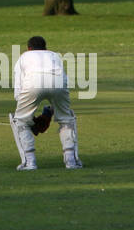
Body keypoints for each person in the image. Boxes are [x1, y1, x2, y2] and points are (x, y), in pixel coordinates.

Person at [9, 35, 82, 170]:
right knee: (66, 119)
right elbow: (63, 80)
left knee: (20, 121)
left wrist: (27, 118)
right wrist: (54, 109)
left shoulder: (23, 57)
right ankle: (71, 161)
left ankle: (30, 162)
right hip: (59, 84)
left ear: (28, 48)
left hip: (33, 83)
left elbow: (18, 86)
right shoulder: (54, 55)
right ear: (45, 47)